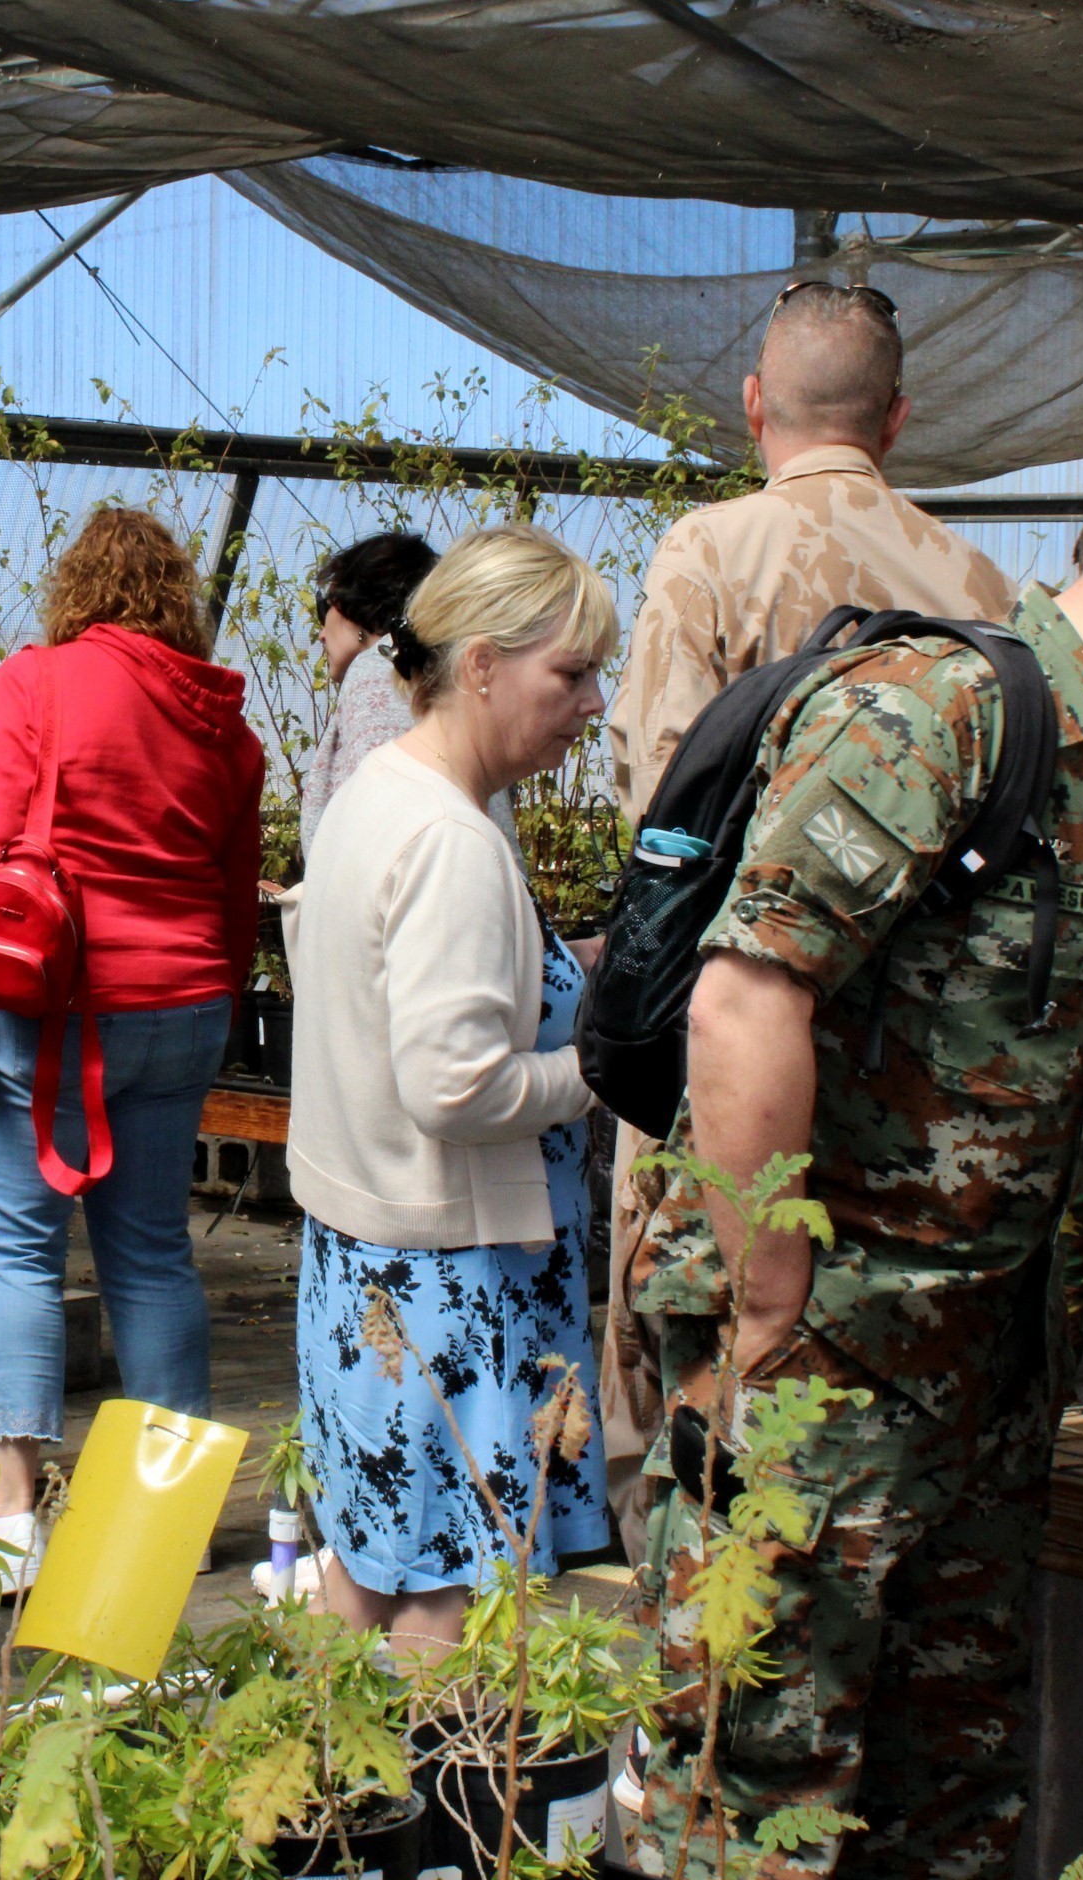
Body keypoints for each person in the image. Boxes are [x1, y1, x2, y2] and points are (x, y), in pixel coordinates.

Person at [625, 422, 1083, 1880]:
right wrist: (766, 1307)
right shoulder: (941, 716)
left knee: (954, 1804)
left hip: (987, 1391)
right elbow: (745, 997)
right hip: (824, 1383)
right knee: (751, 1796)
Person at [599, 279, 1017, 1539]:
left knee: (704, 1398)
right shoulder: (975, 577)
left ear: (752, 405)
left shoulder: (711, 552)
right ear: (896, 418)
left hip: (729, 1033)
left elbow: (662, 807)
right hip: (918, 1063)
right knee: (876, 1395)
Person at [285, 525, 618, 1650]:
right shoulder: (453, 841)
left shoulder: (377, 790)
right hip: (453, 1285)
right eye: (570, 674)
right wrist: (595, 1070)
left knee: (370, 1568)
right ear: (481, 665)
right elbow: (457, 1089)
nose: (592, 703)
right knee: (454, 1592)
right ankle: (444, 1770)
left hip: (366, 1255)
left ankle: (319, 1758)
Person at [0, 506, 265, 1595]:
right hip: (184, 1006)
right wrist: (211, 997)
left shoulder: (35, 682)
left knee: (16, 1257)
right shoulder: (225, 722)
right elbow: (236, 893)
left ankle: (10, 1519)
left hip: (52, 1009)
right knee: (153, 1255)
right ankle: (166, 1523)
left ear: (76, 588)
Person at [297, 531, 445, 859]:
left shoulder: (378, 672)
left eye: (324, 608)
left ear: (356, 605)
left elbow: (380, 826)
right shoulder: (437, 672)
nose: (320, 634)